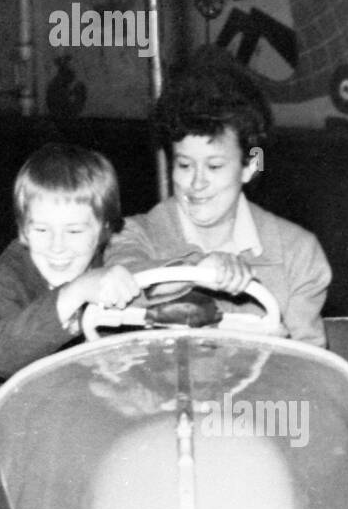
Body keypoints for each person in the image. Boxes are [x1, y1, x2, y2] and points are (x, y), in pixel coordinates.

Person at [0, 143, 138, 509]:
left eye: (75, 231)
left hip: (85, 454)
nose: (57, 247)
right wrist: (75, 292)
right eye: (42, 230)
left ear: (105, 230)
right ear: (23, 229)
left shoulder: (118, 275)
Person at [104, 48, 331, 346]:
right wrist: (196, 272)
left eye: (214, 166)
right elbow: (121, 280)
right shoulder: (133, 235)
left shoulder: (298, 254)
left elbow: (313, 372)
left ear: (249, 166)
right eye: (184, 164)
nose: (196, 182)